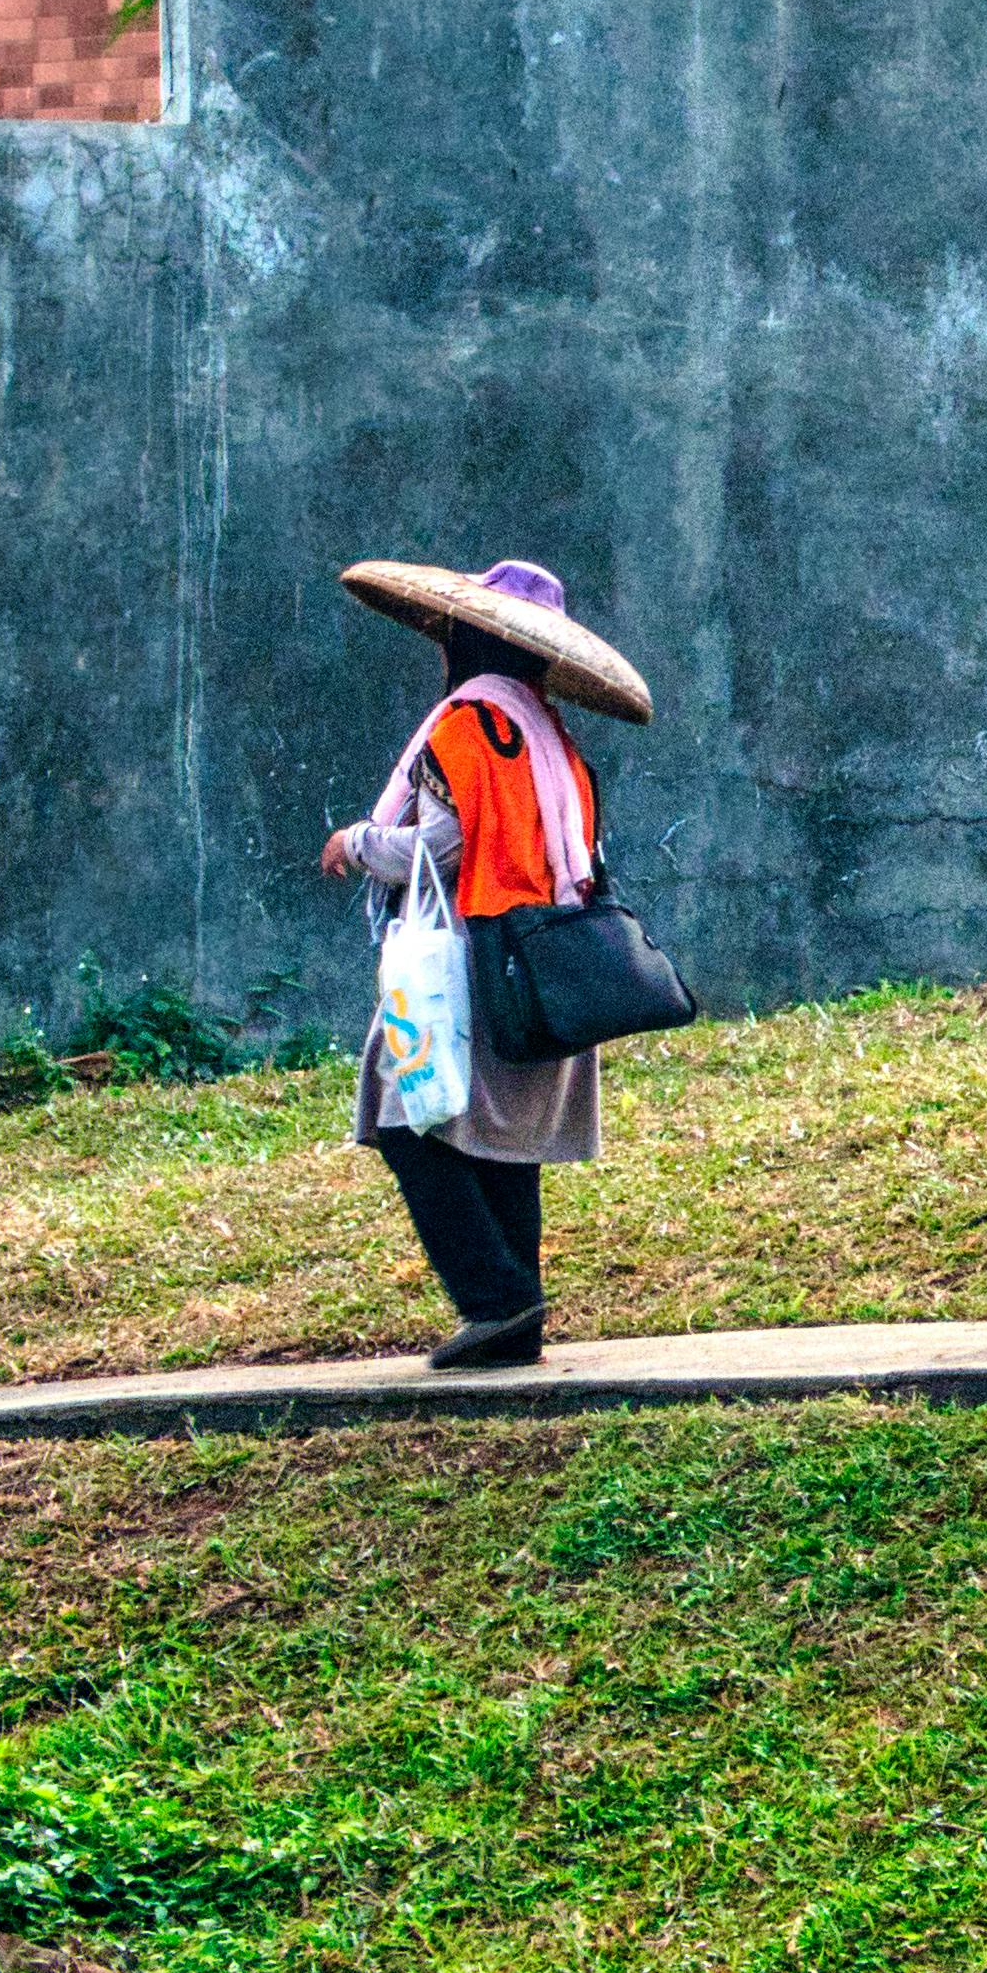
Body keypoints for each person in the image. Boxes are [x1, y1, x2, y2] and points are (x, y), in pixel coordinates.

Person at [319, 554, 658, 1369]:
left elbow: (437, 846)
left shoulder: (467, 728)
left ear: (470, 639)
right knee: (502, 1144)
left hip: (467, 964)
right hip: (543, 964)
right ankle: (515, 1321)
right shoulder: (555, 740)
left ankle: (495, 1299)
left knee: (406, 1121)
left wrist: (356, 842)